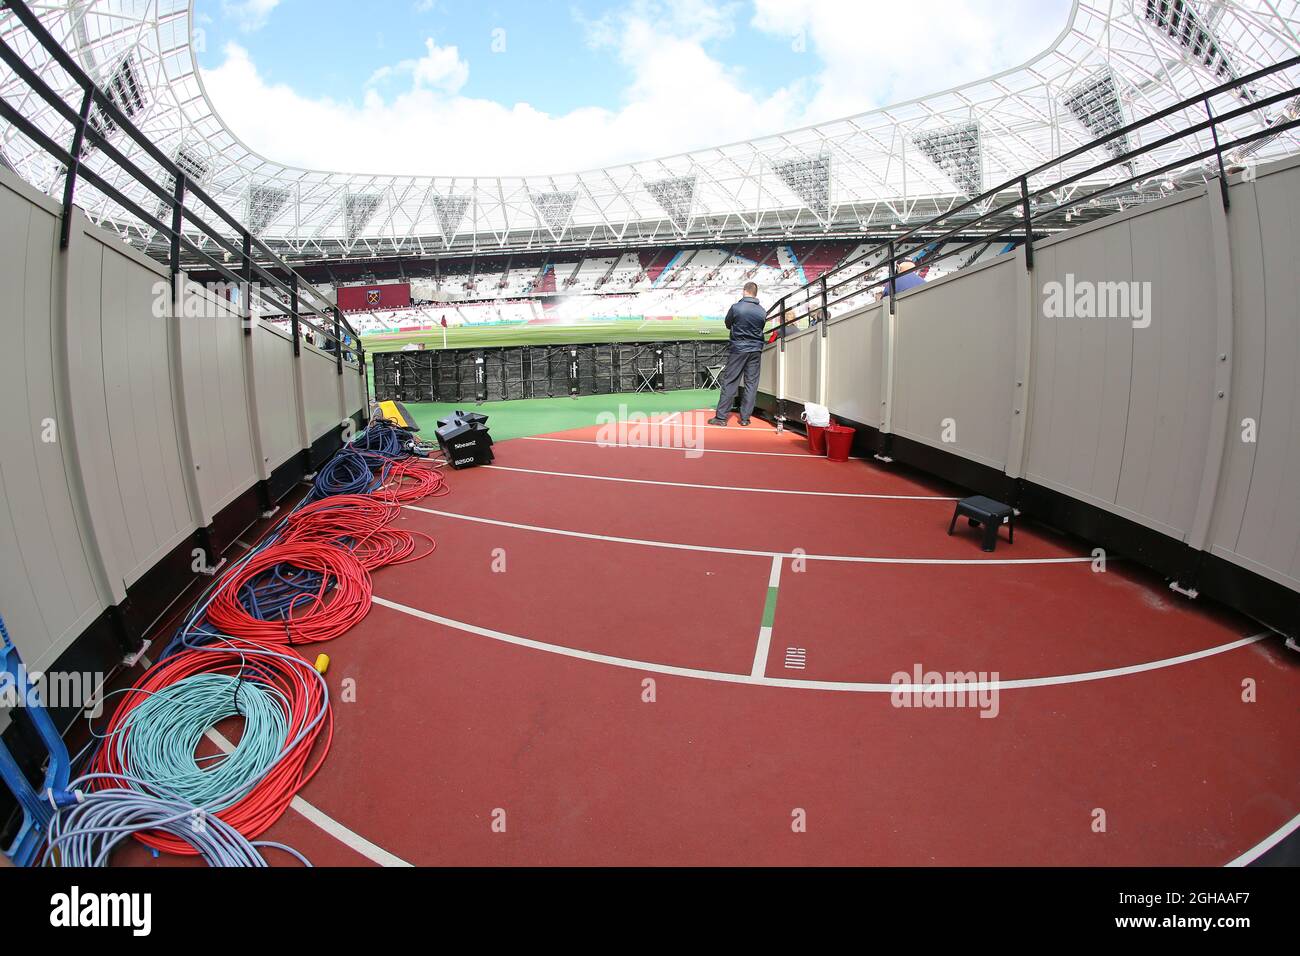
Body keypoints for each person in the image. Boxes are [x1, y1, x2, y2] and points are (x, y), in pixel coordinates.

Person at [709, 281, 766, 427]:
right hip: (756, 349)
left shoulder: (736, 307)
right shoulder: (761, 310)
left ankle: (721, 417)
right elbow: (761, 326)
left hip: (739, 348)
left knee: (730, 381)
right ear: (755, 293)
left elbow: (728, 323)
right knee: (751, 383)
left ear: (744, 291)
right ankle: (745, 418)